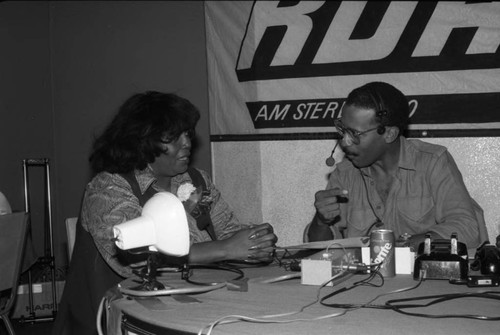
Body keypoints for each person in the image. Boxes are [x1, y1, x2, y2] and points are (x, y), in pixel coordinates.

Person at [53, 91, 277, 335]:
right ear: (141, 140)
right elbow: (135, 259)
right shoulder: (107, 189)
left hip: (192, 306)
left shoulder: (195, 180)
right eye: (173, 137)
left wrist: (255, 242)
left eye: (187, 134)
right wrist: (226, 249)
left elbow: (228, 231)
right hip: (119, 320)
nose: (187, 143)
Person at [307, 81, 487, 251]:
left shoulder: (432, 162)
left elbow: (467, 229)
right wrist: (321, 221)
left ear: (390, 134)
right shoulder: (345, 174)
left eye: (354, 133)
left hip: (423, 280)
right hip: (362, 282)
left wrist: (405, 245)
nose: (345, 142)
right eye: (342, 129)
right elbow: (320, 250)